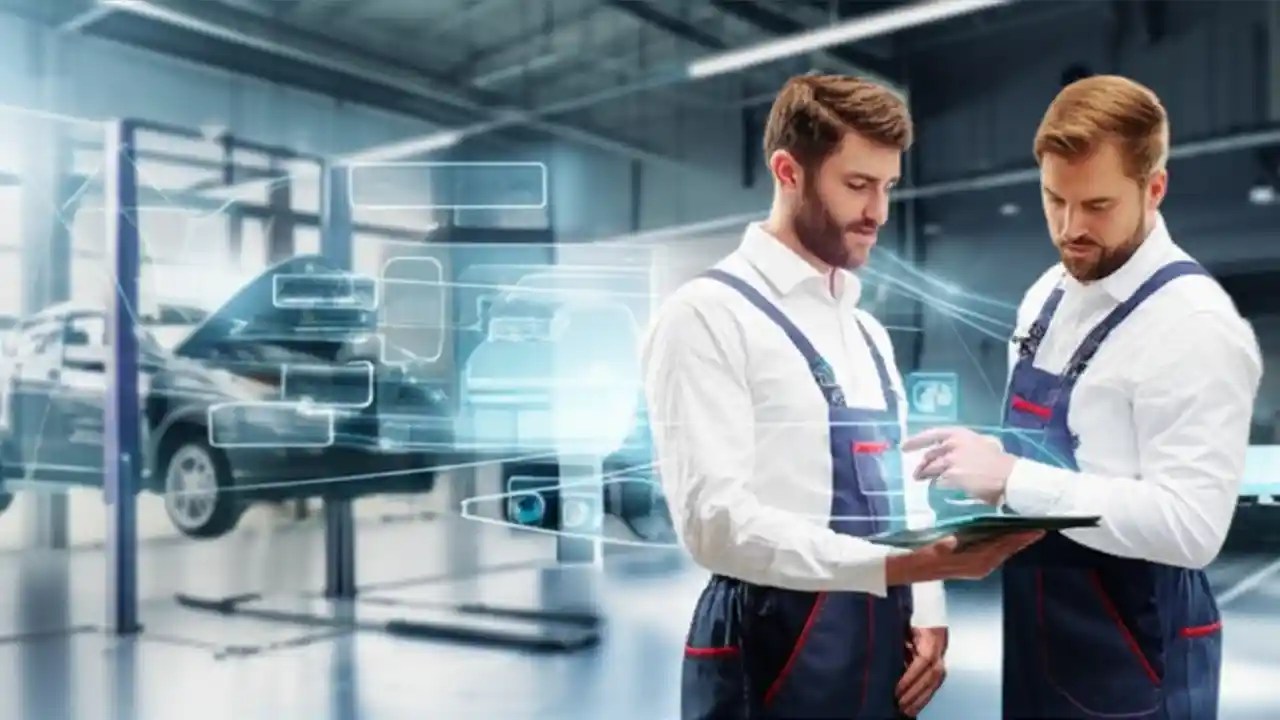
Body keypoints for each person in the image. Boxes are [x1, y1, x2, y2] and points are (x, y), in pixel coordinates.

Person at [641, 74, 1042, 720]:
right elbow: (713, 525)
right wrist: (896, 566)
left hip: (879, 632)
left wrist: (927, 604)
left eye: (887, 188)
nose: (879, 212)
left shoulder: (867, 334)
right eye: (857, 185)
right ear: (788, 172)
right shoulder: (707, 317)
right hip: (766, 645)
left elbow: (903, 482)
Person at [902, 75, 1264, 718]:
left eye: (1097, 205)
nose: (1071, 229)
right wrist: (985, 489)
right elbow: (1060, 464)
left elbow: (1192, 529)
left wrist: (1013, 478)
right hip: (1041, 643)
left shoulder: (1194, 326)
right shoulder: (1048, 293)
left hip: (1137, 660)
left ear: (1154, 189)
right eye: (1054, 200)